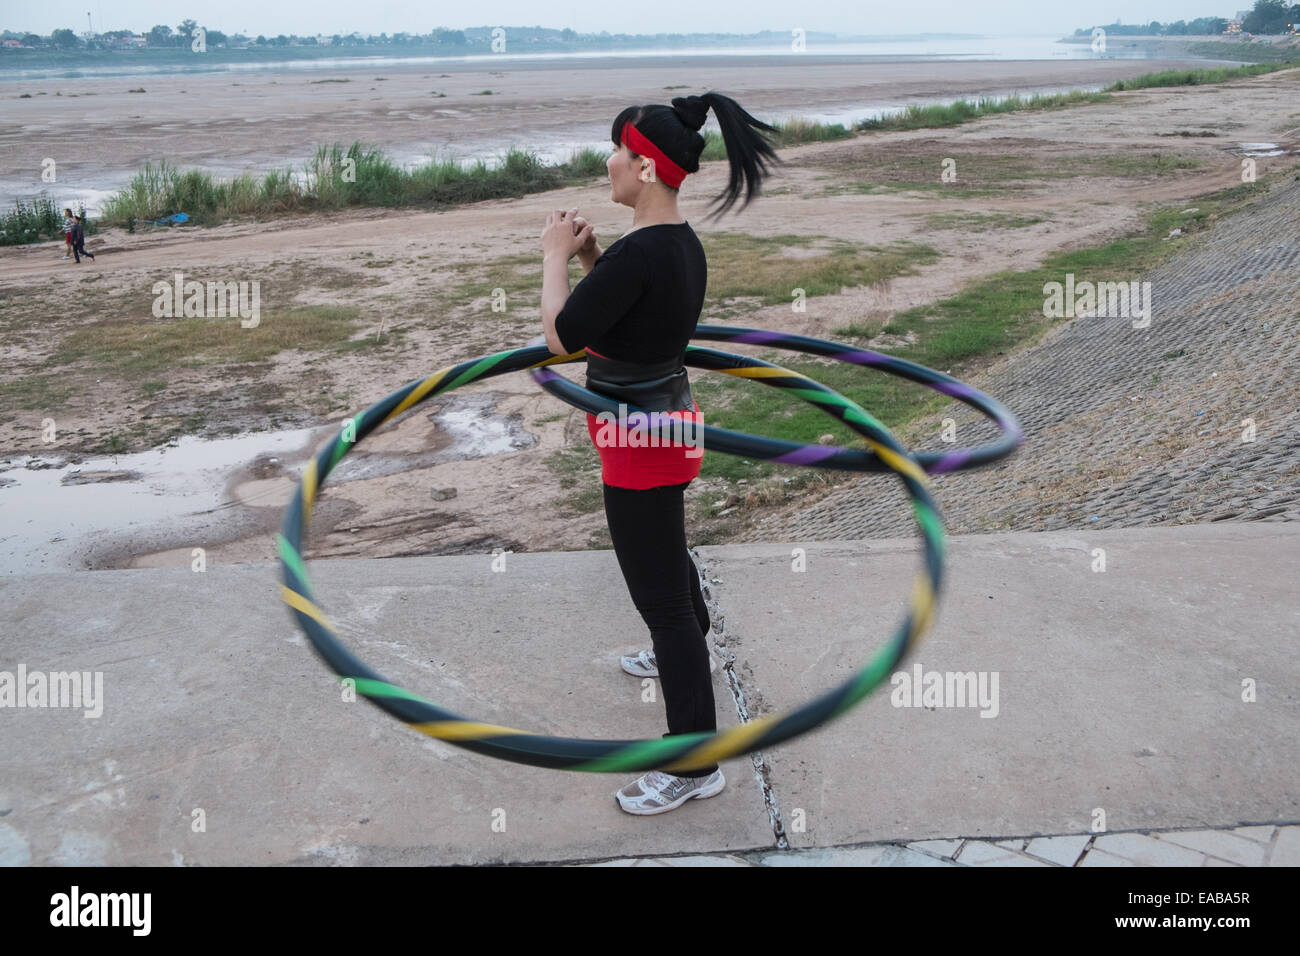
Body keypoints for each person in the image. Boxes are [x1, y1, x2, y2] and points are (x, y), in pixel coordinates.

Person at [539, 91, 782, 815]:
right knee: (668, 569)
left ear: (644, 166)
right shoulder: (676, 244)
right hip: (665, 428)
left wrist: (555, 258)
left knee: (664, 605)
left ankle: (692, 764)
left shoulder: (641, 254)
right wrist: (591, 258)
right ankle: (682, 647)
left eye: (616, 150)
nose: (608, 162)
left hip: (638, 443)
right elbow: (628, 319)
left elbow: (563, 339)